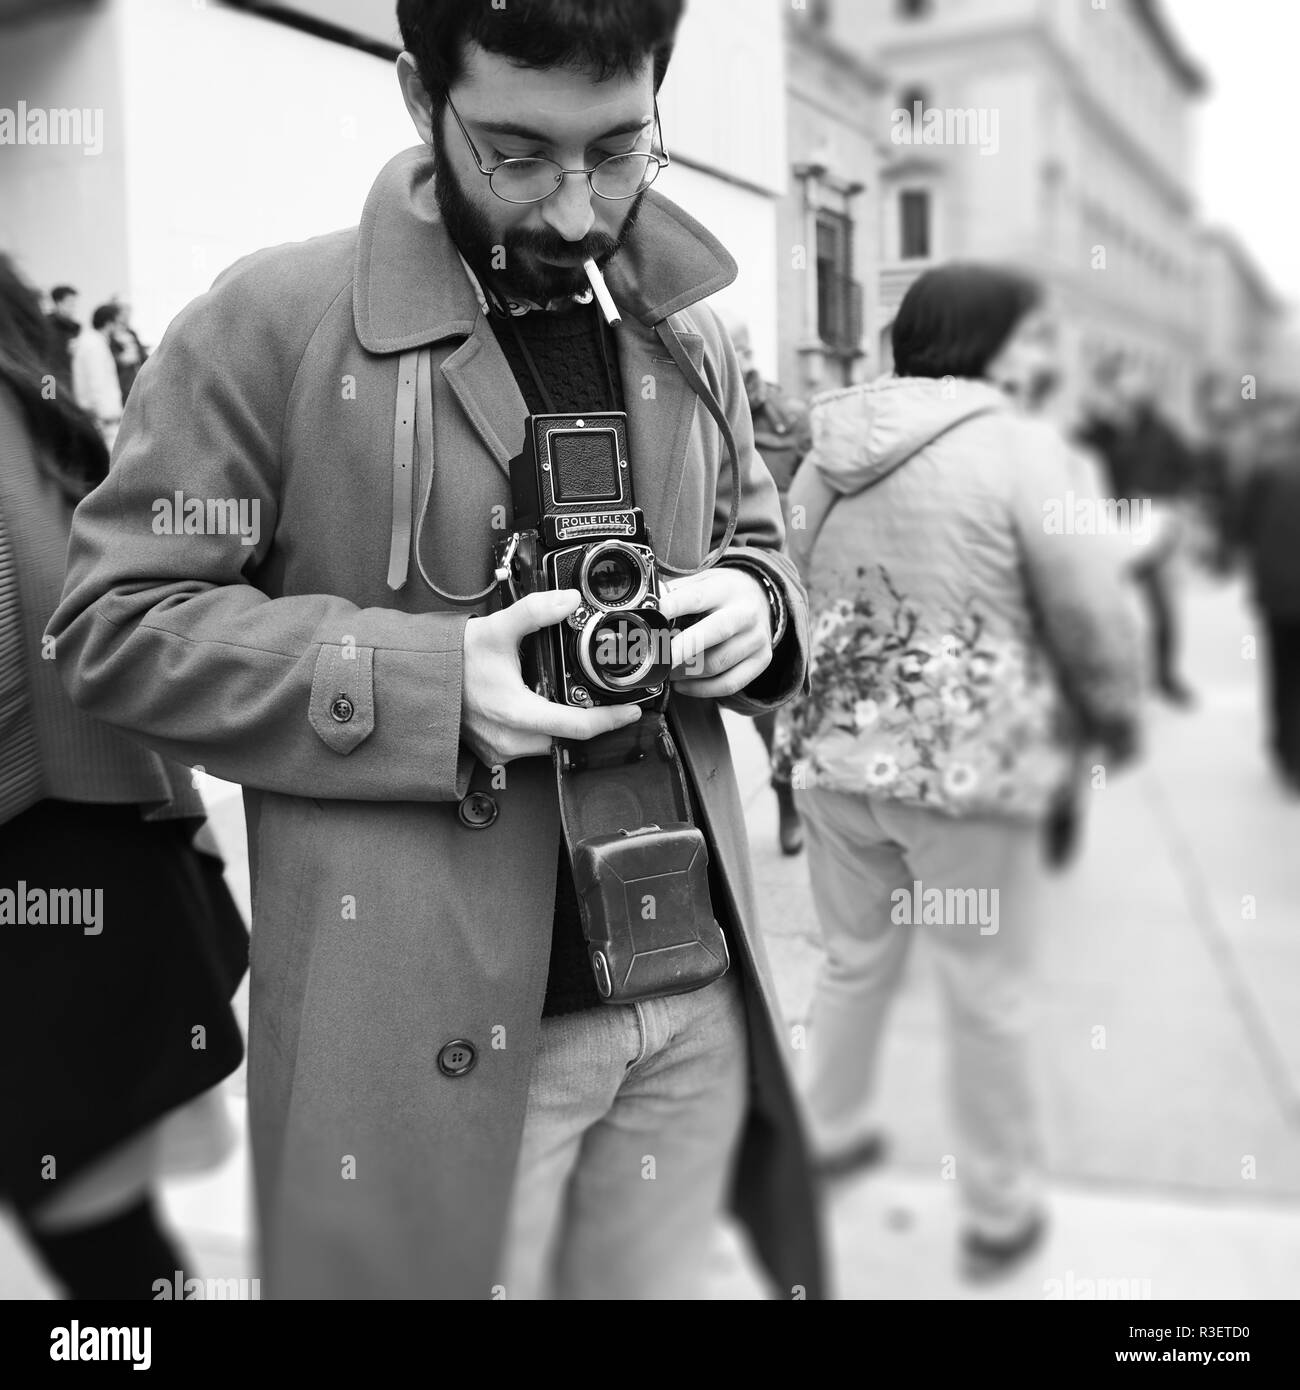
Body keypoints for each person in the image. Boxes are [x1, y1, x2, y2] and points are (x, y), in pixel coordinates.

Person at [51, 0, 822, 1300]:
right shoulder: (272, 322)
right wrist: (424, 684)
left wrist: (757, 602)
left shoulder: (685, 324)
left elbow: (757, 535)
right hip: (433, 1042)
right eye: (518, 153)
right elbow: (115, 629)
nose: (579, 207)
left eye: (622, 150)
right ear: (420, 92)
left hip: (693, 1003)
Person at [776, 264, 1141, 1281]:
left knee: (852, 963)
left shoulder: (823, 454)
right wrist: (1111, 712)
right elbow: (1087, 607)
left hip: (834, 758)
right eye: (1026, 335)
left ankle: (826, 1134)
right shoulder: (1026, 450)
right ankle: (997, 1208)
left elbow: (790, 588)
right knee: (985, 993)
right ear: (990, 341)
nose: (1035, 356)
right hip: (964, 767)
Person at [0, 254, 248, 1300]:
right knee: (103, 1227)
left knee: (98, 1236)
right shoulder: (24, 386)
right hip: (101, 848)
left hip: (44, 867)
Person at [723, 313, 812, 854]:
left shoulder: (791, 418)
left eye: (738, 348)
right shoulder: (701, 407)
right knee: (771, 706)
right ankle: (786, 794)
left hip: (805, 574)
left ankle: (806, 789)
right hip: (756, 576)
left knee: (812, 699)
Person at [1077, 356, 1199, 706]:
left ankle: (1165, 677)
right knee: (1108, 606)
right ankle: (1111, 678)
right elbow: (1077, 467)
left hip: (1154, 527)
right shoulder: (1098, 432)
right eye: (1121, 384)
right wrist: (1098, 425)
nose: (1128, 391)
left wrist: (1169, 500)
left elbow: (1188, 469)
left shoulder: (1161, 430)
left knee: (1162, 607)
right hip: (1109, 525)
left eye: (1134, 383)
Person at [1229, 398, 1300, 794]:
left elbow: (1243, 529)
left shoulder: (1265, 470)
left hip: (1276, 590)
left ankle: (1283, 748)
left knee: (1281, 670)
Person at [70, 302, 124, 450]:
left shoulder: (94, 342)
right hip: (103, 420)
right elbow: (97, 383)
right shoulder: (94, 346)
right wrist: (106, 415)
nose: (120, 327)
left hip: (102, 417)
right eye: (118, 322)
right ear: (109, 323)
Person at [106, 298, 149, 401]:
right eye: (122, 309)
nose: (126, 313)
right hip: (118, 385)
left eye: (128, 309)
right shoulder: (108, 335)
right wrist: (121, 359)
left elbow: (143, 357)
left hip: (135, 383)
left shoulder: (132, 333)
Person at [45, 284, 80, 397]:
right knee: (50, 403)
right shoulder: (46, 325)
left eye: (74, 304)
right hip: (50, 374)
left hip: (70, 374)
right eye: (70, 304)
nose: (73, 308)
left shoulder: (75, 327)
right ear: (58, 303)